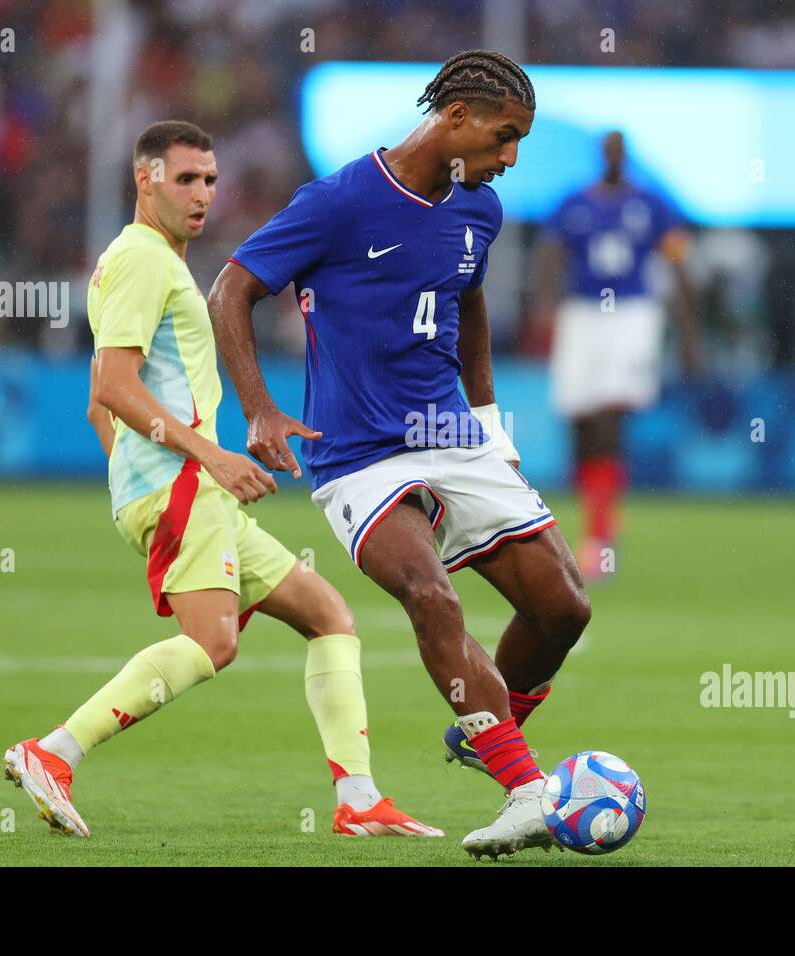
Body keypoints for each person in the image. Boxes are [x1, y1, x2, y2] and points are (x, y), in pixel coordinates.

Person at [1, 121, 441, 840]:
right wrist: (198, 463)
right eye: (185, 180)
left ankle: (358, 797)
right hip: (185, 486)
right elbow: (116, 385)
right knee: (213, 644)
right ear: (145, 180)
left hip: (183, 486)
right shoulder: (143, 260)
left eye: (209, 179)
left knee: (328, 617)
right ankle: (53, 752)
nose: (202, 194)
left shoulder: (145, 262)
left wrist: (138, 477)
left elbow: (95, 401)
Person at [209, 51, 593, 859]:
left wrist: (487, 426)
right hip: (358, 452)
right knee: (432, 595)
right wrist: (260, 409)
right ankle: (525, 788)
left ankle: (487, 726)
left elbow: (471, 299)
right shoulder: (341, 201)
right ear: (455, 116)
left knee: (564, 607)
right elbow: (231, 290)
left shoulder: (478, 212)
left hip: (452, 435)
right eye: (503, 137)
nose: (510, 158)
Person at [532, 130, 698, 579]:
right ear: (600, 156)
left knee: (609, 416)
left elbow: (677, 263)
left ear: (628, 157)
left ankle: (599, 534)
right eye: (608, 151)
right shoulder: (575, 204)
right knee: (579, 418)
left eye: (620, 151)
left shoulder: (651, 205)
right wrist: (545, 308)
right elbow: (550, 254)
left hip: (632, 314)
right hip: (582, 313)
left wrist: (689, 333)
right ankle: (601, 510)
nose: (614, 158)